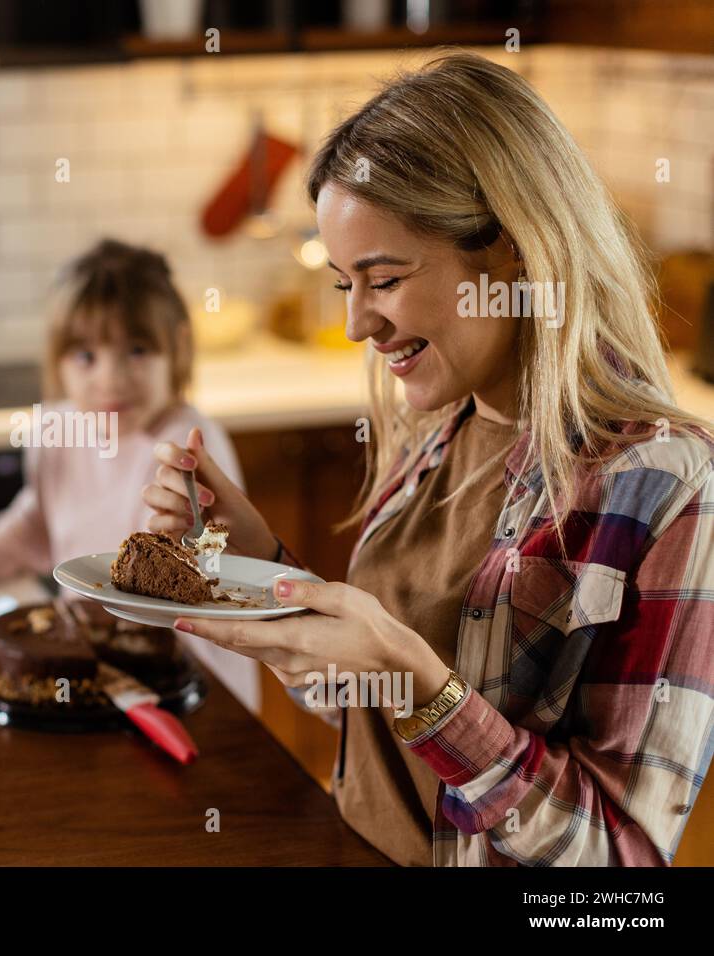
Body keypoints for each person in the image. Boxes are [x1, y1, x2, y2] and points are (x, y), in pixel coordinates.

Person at [145, 53, 714, 865]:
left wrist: (422, 684)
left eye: (383, 279)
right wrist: (259, 565)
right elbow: (365, 709)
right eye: (345, 283)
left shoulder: (669, 486)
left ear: (514, 251)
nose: (356, 326)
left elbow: (624, 862)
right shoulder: (437, 430)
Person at [0, 238, 259, 710]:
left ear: (178, 348)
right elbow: (33, 528)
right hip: (96, 670)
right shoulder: (58, 429)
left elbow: (171, 583)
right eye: (85, 356)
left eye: (137, 350)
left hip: (191, 684)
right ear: (57, 360)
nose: (110, 378)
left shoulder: (187, 447)